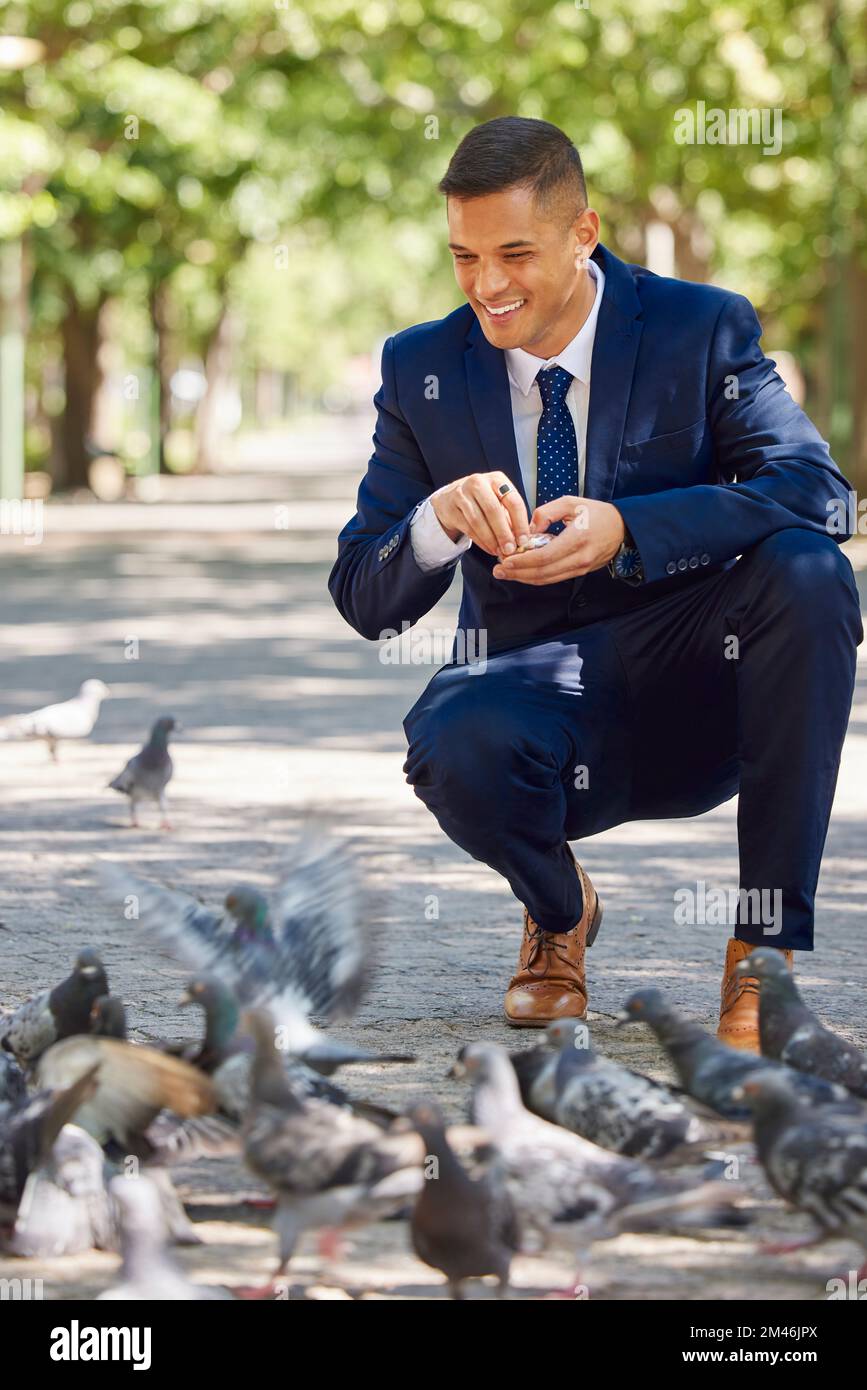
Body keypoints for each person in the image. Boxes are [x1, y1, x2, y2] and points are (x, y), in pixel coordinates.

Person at [328, 116, 862, 1052]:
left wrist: (632, 529)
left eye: (514, 254)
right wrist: (437, 522)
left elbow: (820, 495)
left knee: (809, 571)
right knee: (451, 736)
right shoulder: (419, 368)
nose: (487, 286)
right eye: (463, 257)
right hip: (534, 706)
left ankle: (761, 960)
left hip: (706, 687)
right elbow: (364, 596)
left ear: (584, 234)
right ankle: (558, 909)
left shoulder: (700, 328)